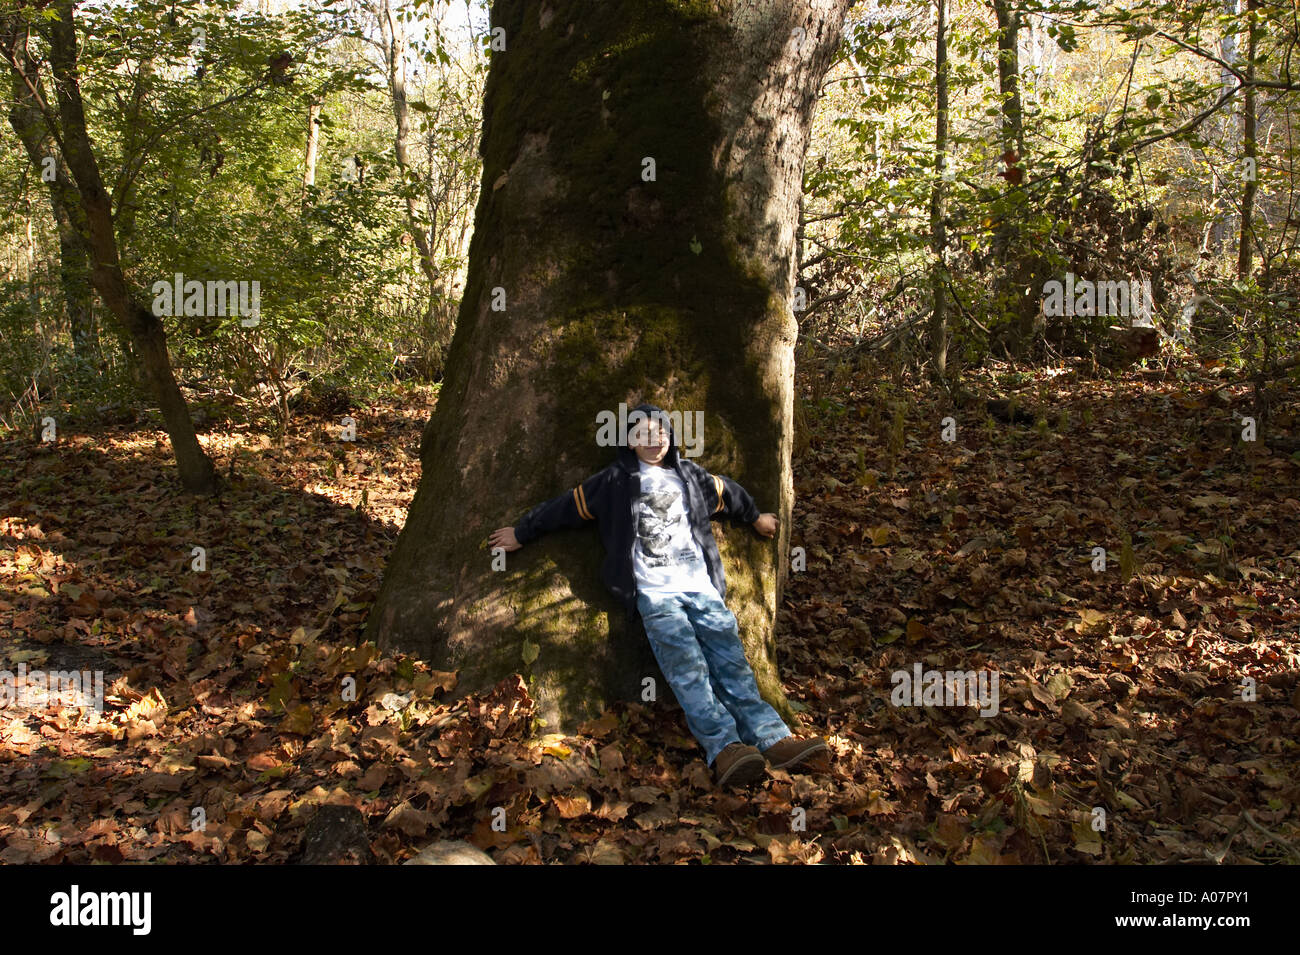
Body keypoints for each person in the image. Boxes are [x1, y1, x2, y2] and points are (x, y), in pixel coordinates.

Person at [489, 402, 829, 788]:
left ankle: (772, 737)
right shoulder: (614, 482)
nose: (654, 440)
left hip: (702, 588)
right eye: (643, 434)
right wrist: (522, 532)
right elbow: (566, 508)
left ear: (671, 436)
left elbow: (728, 493)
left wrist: (755, 517)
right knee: (687, 669)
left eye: (661, 432)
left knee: (732, 662)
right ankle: (725, 747)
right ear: (630, 440)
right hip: (656, 594)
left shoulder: (689, 475)